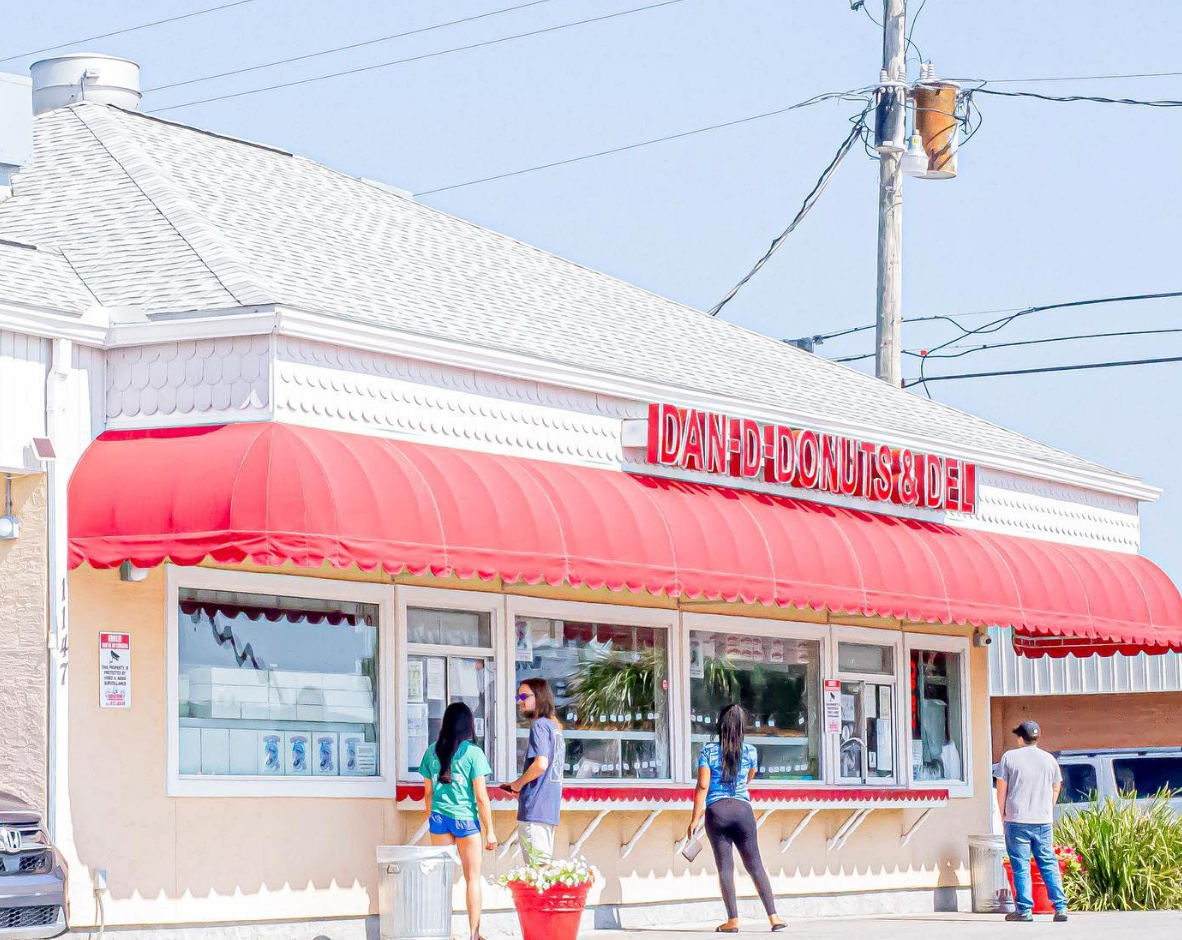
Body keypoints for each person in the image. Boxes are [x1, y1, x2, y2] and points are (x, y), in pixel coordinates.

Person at [688, 704, 786, 934]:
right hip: (743, 811)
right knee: (755, 864)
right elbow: (749, 777)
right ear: (743, 727)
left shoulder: (708, 751)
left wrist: (694, 819)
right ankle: (774, 917)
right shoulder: (750, 751)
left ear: (720, 725)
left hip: (716, 811)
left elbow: (703, 786)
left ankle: (733, 920)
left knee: (725, 866)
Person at [419, 703, 497, 940]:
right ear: (468, 725)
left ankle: (446, 932)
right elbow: (481, 797)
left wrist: (433, 817)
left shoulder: (431, 751)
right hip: (465, 820)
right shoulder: (473, 753)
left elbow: (428, 793)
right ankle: (474, 934)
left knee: (442, 879)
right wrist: (490, 831)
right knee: (472, 877)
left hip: (439, 820)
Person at [993, 720, 1069, 923]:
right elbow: (1056, 787)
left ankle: (1024, 910)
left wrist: (1002, 814)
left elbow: (1001, 790)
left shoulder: (1009, 757)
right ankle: (1060, 907)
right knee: (1048, 862)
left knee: (1021, 864)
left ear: (1020, 737)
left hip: (1017, 819)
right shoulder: (1049, 759)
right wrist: (1047, 808)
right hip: (1042, 820)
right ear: (1037, 737)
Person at [503, 677, 565, 860]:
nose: (519, 701)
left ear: (539, 697)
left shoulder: (539, 726)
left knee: (536, 873)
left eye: (524, 696)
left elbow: (541, 764)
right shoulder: (554, 727)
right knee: (542, 869)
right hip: (548, 807)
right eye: (518, 697)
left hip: (535, 807)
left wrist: (518, 784)